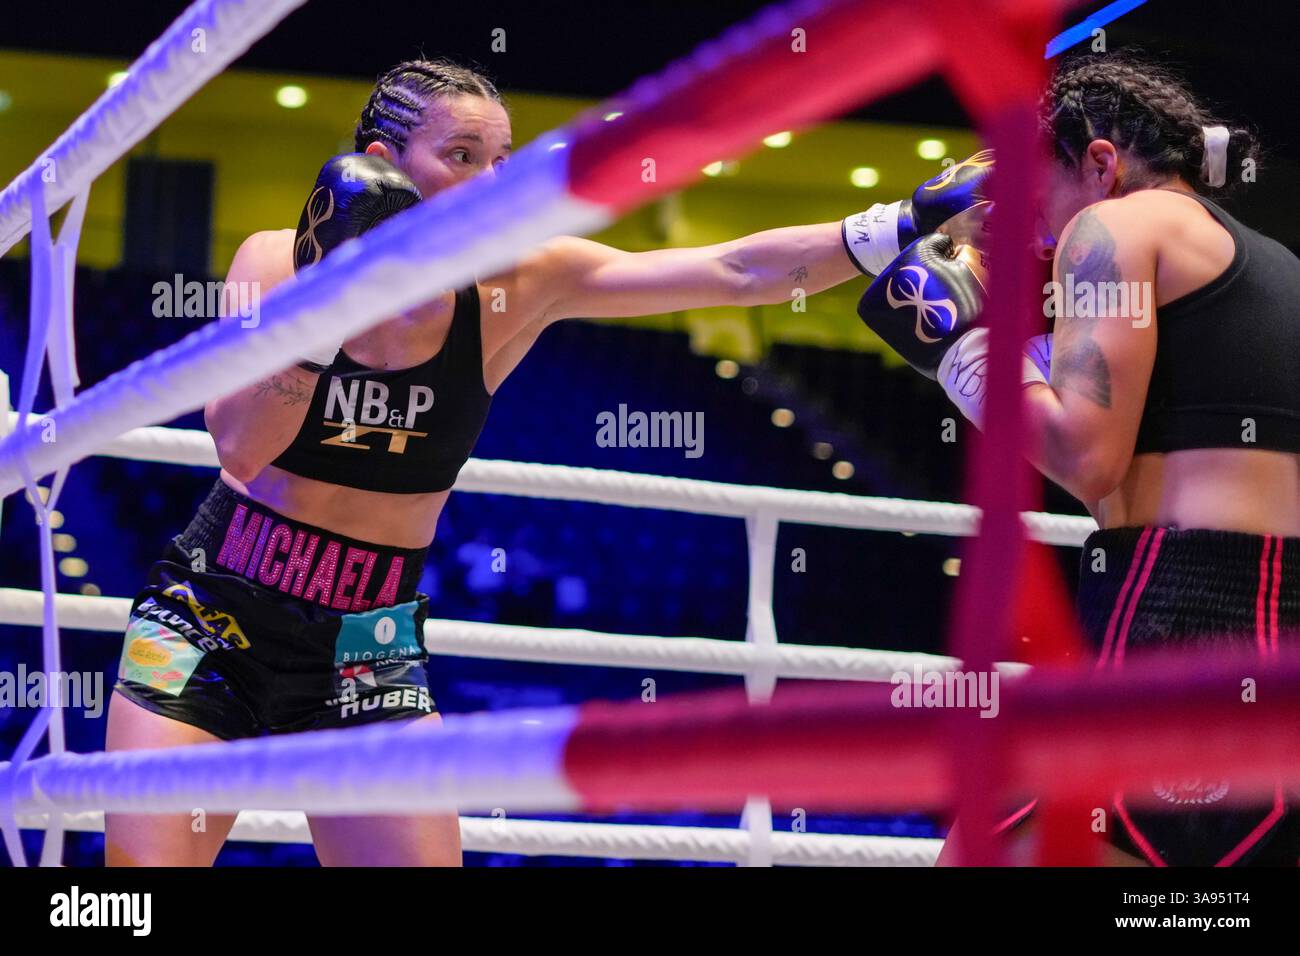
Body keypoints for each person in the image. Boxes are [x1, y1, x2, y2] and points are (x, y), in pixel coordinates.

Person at [104, 57, 990, 866]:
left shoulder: (519, 284)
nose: (493, 185)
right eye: (462, 155)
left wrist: (894, 223)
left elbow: (732, 269)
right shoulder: (275, 260)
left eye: (502, 162)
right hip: (214, 611)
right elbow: (239, 444)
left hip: (368, 642)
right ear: (384, 160)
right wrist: (329, 302)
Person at [858, 51, 1300, 866]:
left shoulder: (1112, 228)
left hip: (1175, 623)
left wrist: (959, 350)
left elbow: (1085, 456)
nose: (1037, 229)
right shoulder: (1269, 265)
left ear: (1100, 163)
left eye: (1038, 198)